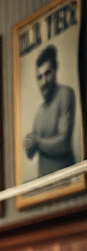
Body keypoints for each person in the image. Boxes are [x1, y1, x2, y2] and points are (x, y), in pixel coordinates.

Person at [23, 44, 78, 177]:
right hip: (45, 186)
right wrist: (28, 146)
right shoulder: (39, 112)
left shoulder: (66, 94)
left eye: (48, 73)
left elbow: (63, 143)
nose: (43, 82)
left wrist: (37, 142)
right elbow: (31, 155)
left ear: (56, 69)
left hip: (66, 181)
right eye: (39, 77)